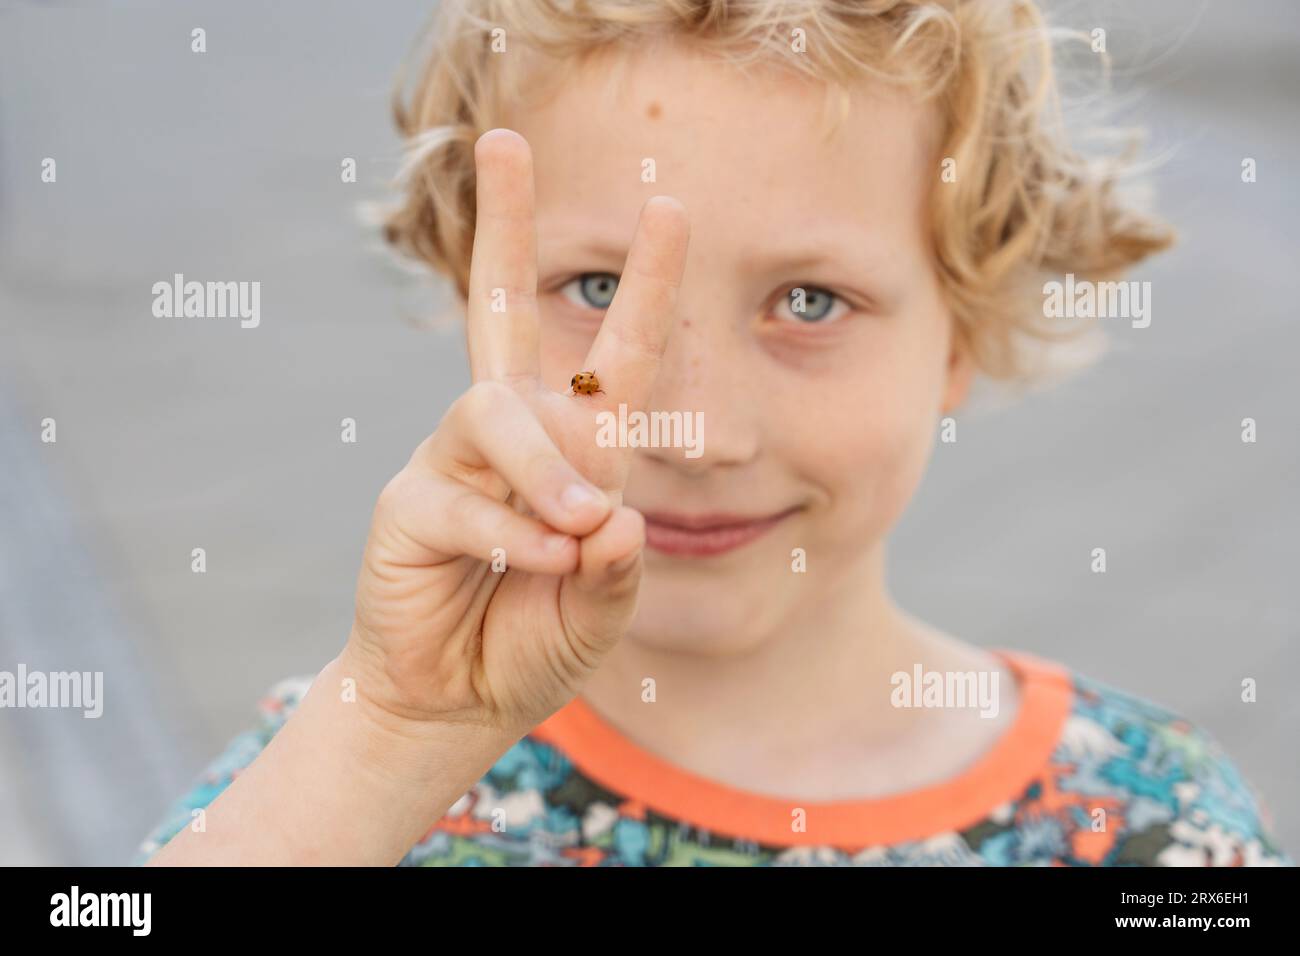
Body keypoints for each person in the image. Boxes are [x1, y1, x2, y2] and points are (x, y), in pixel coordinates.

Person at [137, 0, 1287, 866]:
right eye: (597, 287)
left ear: (961, 329)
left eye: (810, 303)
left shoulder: (1150, 820)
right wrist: (389, 738)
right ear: (471, 282)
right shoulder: (344, 774)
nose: (696, 431)